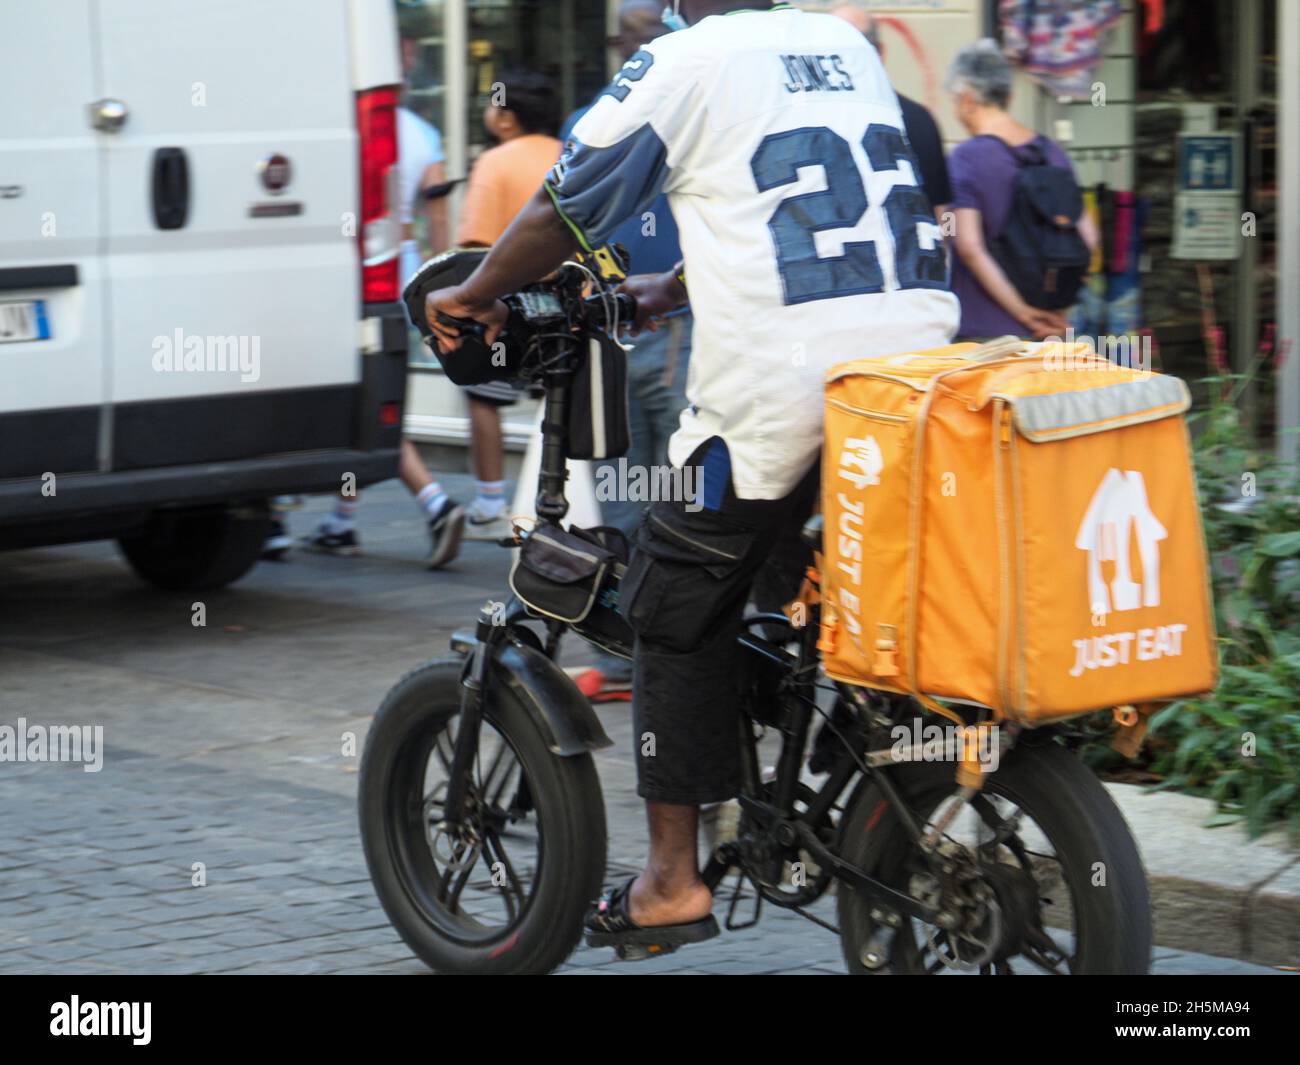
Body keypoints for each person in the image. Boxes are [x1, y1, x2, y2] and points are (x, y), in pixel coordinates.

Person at [424, 1, 958, 952]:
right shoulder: (841, 44)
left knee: (671, 603)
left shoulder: (686, 59)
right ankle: (842, 763)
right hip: (912, 375)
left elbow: (560, 206)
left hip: (781, 395)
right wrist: (676, 287)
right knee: (801, 587)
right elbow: (809, 212)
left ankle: (671, 883)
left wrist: (473, 294)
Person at [560, 0, 694, 705]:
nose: (643, 37)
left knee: (673, 493)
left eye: (656, 23)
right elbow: (559, 216)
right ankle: (624, 654)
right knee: (620, 495)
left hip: (676, 328)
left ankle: (670, 655)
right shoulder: (594, 121)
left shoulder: (689, 101)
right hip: (611, 329)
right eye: (632, 29)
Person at [455, 71, 563, 542]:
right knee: (557, 400)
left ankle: (491, 501)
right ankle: (554, 500)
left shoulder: (494, 162)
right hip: (567, 301)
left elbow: (476, 242)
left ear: (505, 118)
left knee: (483, 396)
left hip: (507, 304)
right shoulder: (570, 153)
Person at [945, 38, 1098, 340]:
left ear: (966, 100)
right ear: (1010, 95)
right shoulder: (1051, 152)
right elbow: (1089, 237)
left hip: (984, 332)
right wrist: (1058, 305)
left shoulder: (966, 158)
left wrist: (1022, 312)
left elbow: (969, 247)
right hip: (1050, 330)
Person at [829, 5, 951, 217]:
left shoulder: (806, 119)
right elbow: (945, 209)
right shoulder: (919, 118)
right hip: (914, 248)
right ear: (881, 52)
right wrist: (947, 243)